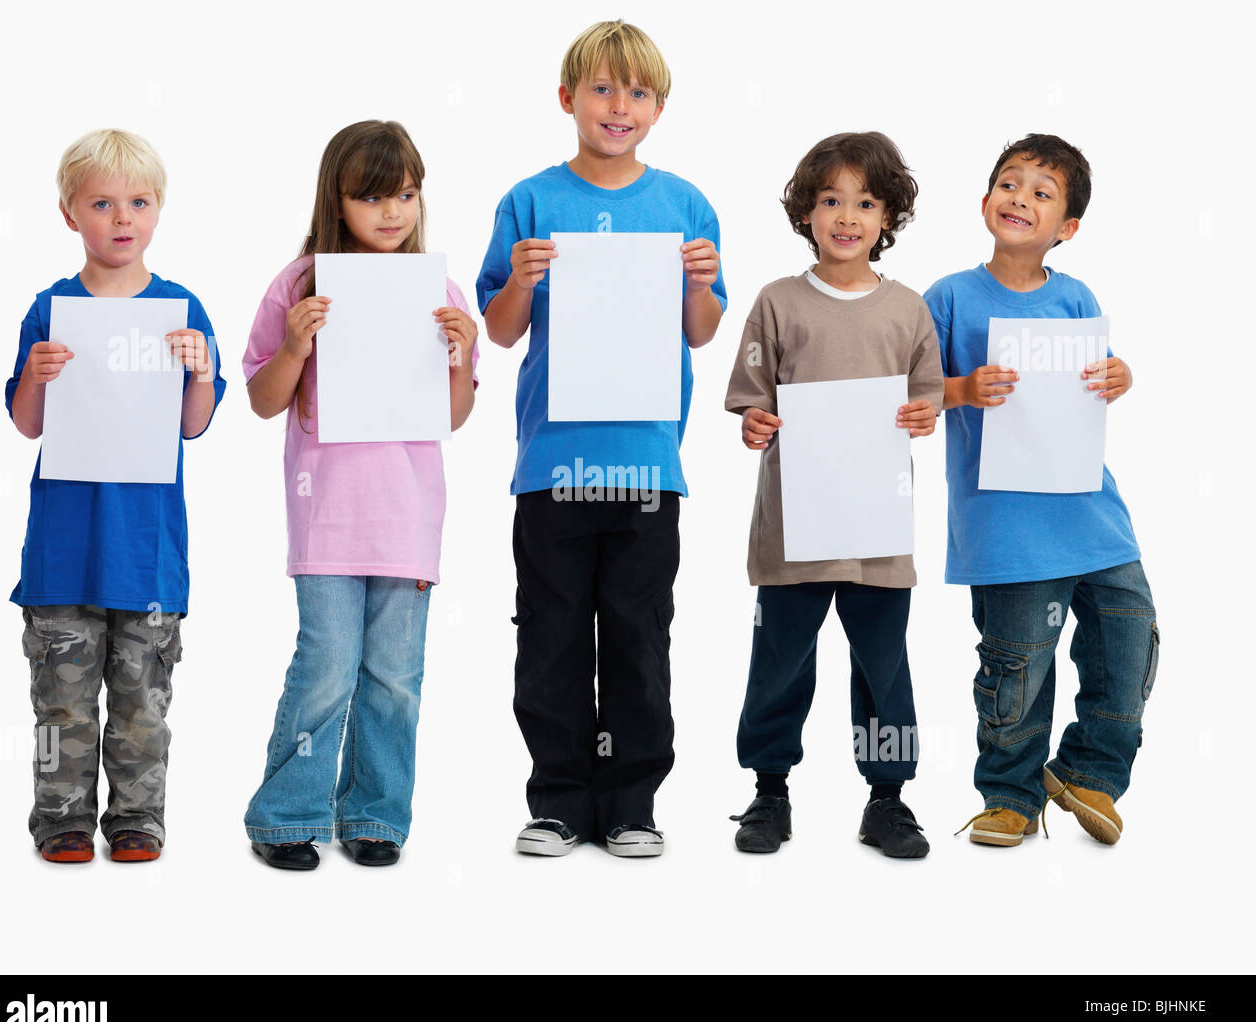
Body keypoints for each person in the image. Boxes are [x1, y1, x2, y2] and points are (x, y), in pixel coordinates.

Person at [476, 19, 725, 857]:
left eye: (639, 92)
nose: (620, 106)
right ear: (567, 98)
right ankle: (557, 801)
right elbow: (502, 331)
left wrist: (699, 285)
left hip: (648, 463)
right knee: (548, 633)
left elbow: (702, 332)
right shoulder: (531, 200)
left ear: (659, 107)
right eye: (603, 89)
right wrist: (519, 279)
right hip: (551, 464)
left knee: (636, 635)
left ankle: (630, 804)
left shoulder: (685, 204)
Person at [242, 120, 479, 870]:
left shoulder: (438, 290)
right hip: (328, 517)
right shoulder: (301, 282)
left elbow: (453, 417)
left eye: (405, 194)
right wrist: (294, 347)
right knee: (326, 666)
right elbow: (260, 398)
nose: (391, 212)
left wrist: (461, 356)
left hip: (408, 519)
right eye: (371, 196)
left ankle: (375, 815)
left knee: (395, 678)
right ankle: (287, 816)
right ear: (335, 201)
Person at [924, 134, 1159, 847]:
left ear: (1069, 228)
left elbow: (1095, 373)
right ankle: (1010, 794)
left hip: (1091, 512)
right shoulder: (950, 298)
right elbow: (910, 394)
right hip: (1008, 524)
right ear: (985, 201)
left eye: (1041, 192)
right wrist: (961, 388)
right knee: (1018, 663)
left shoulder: (1076, 296)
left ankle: (1089, 772)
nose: (1020, 198)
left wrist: (1120, 374)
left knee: (1129, 635)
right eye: (1009, 183)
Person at [7, 128, 226, 863]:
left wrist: (198, 372)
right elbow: (25, 425)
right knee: (60, 703)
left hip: (148, 554)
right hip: (63, 553)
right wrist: (36, 374)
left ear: (159, 210)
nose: (121, 217)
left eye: (138, 201)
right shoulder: (49, 309)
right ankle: (60, 818)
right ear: (71, 214)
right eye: (102, 203)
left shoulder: (183, 310)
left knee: (142, 704)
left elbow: (194, 428)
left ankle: (138, 818)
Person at [725, 132, 942, 859]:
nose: (847, 216)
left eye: (866, 202)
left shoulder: (909, 310)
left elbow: (926, 400)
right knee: (779, 662)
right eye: (830, 201)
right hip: (792, 531)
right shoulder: (777, 302)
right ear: (807, 212)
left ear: (888, 218)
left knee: (885, 667)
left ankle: (888, 799)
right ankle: (769, 790)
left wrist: (924, 413)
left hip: (877, 532)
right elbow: (753, 404)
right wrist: (755, 425)